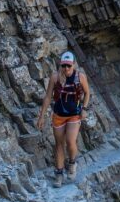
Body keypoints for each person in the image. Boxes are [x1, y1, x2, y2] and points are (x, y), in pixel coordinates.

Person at [36, 51, 90, 185]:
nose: (66, 68)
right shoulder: (55, 77)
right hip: (59, 115)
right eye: (63, 65)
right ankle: (59, 174)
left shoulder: (80, 77)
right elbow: (48, 96)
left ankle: (72, 163)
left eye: (68, 66)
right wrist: (41, 116)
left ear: (73, 65)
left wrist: (84, 108)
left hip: (74, 115)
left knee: (70, 141)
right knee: (59, 144)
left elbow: (87, 93)